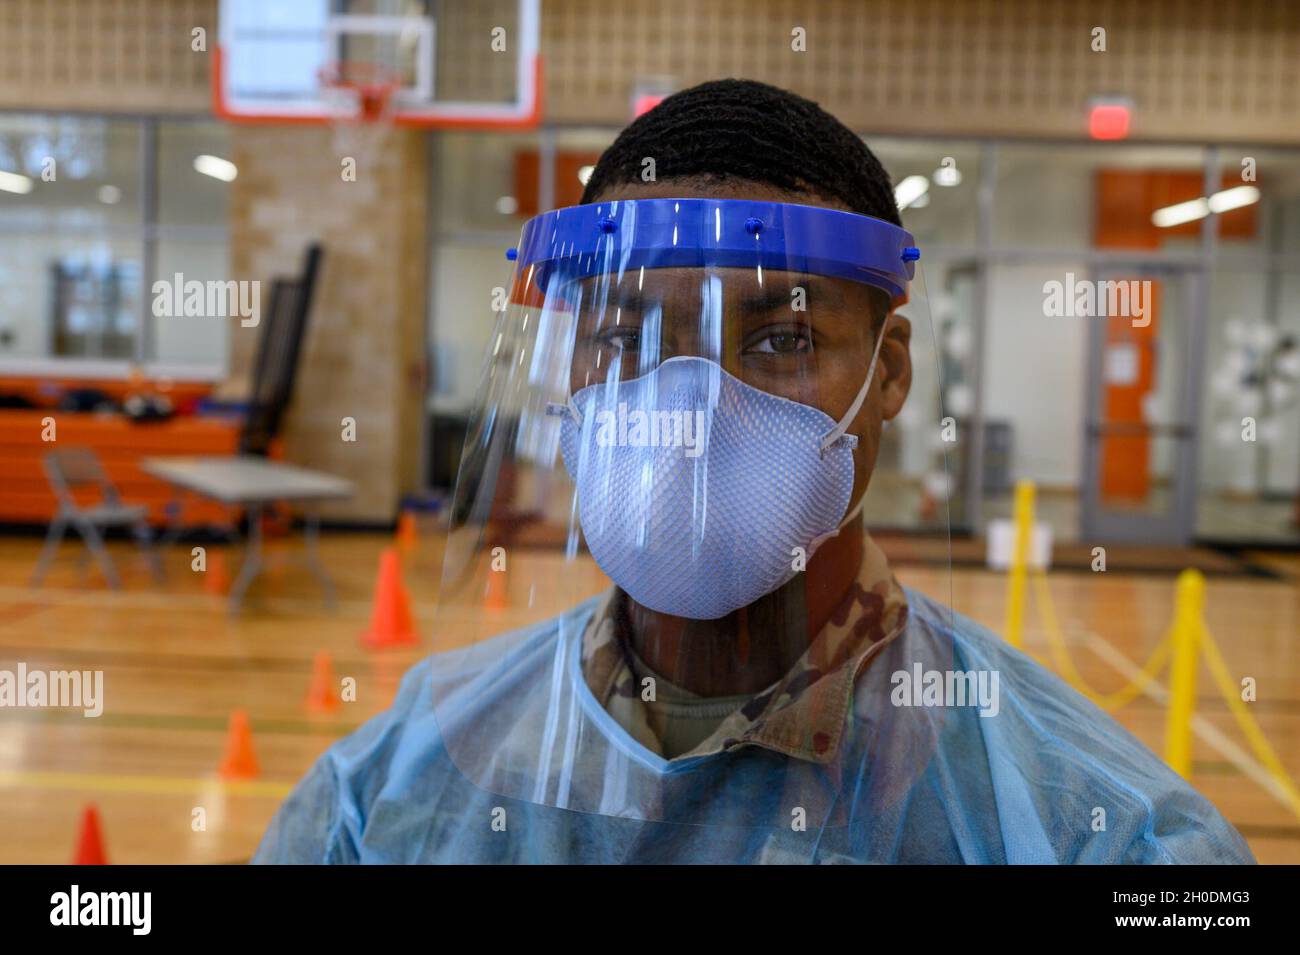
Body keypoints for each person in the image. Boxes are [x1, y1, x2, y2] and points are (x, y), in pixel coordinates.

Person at [254, 79, 1253, 864]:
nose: (690, 413)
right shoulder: (388, 788)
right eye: (626, 338)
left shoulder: (1097, 835)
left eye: (778, 339)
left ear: (888, 371)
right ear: (570, 372)